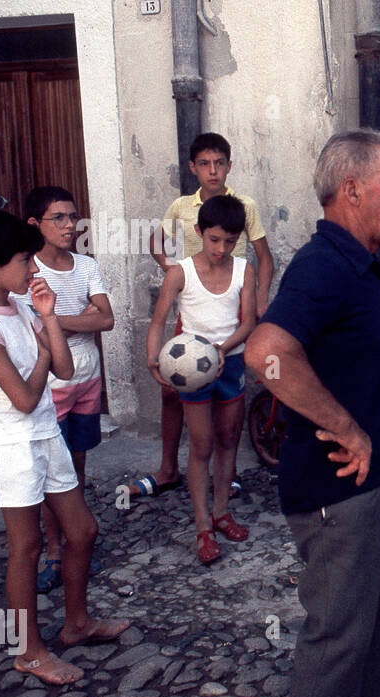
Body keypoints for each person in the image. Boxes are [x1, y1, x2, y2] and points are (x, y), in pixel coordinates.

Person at [245, 129, 380, 697]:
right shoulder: (324, 265)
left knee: (376, 635)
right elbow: (265, 352)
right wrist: (347, 427)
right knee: (337, 645)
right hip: (339, 495)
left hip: (379, 487)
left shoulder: (362, 264)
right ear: (352, 190)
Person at [0, 210, 128, 685]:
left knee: (82, 531)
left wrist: (47, 318)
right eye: (26, 259)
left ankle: (76, 624)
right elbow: (24, 398)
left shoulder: (22, 306)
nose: (34, 269)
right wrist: (48, 348)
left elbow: (65, 372)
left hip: (46, 436)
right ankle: (29, 651)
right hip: (12, 444)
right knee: (26, 548)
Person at [130, 132, 275, 499]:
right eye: (205, 164)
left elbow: (265, 258)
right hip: (193, 313)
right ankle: (168, 469)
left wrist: (258, 301)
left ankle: (228, 472)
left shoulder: (244, 206)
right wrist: (172, 271)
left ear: (229, 165)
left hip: (231, 308)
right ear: (193, 168)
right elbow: (156, 241)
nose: (213, 171)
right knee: (176, 385)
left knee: (230, 391)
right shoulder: (182, 207)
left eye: (220, 163)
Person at [12, 186, 113, 592]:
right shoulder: (27, 271)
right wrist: (77, 317)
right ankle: (54, 551)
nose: (70, 225)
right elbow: (32, 328)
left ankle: (77, 540)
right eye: (60, 218)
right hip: (50, 382)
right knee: (53, 473)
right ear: (35, 224)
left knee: (77, 466)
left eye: (73, 217)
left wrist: (58, 320)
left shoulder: (86, 266)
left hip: (87, 377)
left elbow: (106, 319)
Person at [146, 195, 256, 565]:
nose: (221, 248)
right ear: (199, 233)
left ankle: (222, 512)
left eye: (230, 241)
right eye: (213, 240)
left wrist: (221, 350)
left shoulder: (244, 270)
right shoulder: (180, 272)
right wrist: (152, 356)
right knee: (202, 444)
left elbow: (248, 323)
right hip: (191, 371)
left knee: (228, 439)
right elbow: (159, 320)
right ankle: (202, 526)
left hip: (231, 364)